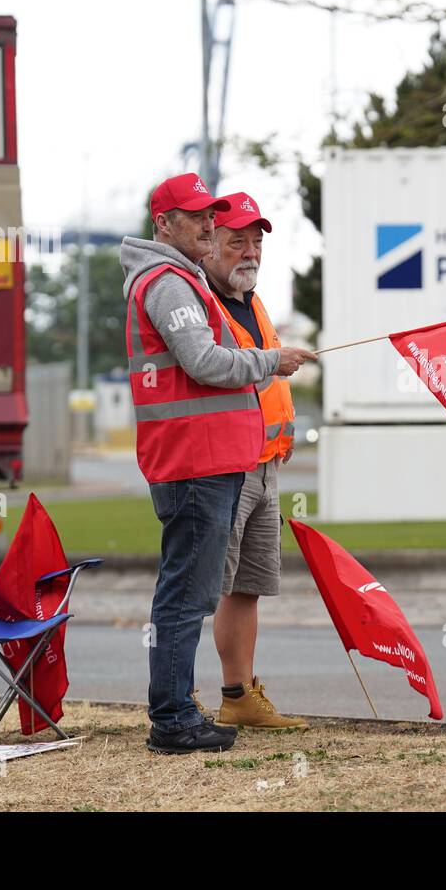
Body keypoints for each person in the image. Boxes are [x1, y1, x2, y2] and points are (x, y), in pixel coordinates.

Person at [120, 173, 316, 753]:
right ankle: (174, 720)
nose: (208, 224)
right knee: (186, 595)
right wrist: (270, 361)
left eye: (211, 214)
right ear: (164, 224)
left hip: (210, 459)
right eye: (196, 216)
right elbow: (205, 361)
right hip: (194, 461)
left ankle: (181, 711)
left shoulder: (179, 278)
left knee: (195, 592)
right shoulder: (167, 282)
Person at [198, 192, 307, 729]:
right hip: (225, 465)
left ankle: (239, 696)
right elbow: (214, 368)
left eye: (256, 242)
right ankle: (175, 701)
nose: (249, 252)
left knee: (247, 586)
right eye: (236, 240)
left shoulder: (251, 299)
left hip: (264, 464)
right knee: (204, 585)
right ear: (209, 242)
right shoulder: (200, 301)